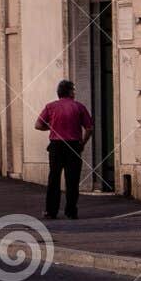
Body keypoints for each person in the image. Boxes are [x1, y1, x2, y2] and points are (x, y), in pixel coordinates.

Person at [35, 79, 94, 220]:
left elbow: (38, 125)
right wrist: (82, 143)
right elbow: (89, 128)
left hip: (56, 146)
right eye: (73, 90)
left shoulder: (50, 106)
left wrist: (51, 127)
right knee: (72, 180)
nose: (74, 92)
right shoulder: (78, 107)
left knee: (54, 179)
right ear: (70, 92)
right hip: (73, 145)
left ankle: (51, 211)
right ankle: (71, 211)